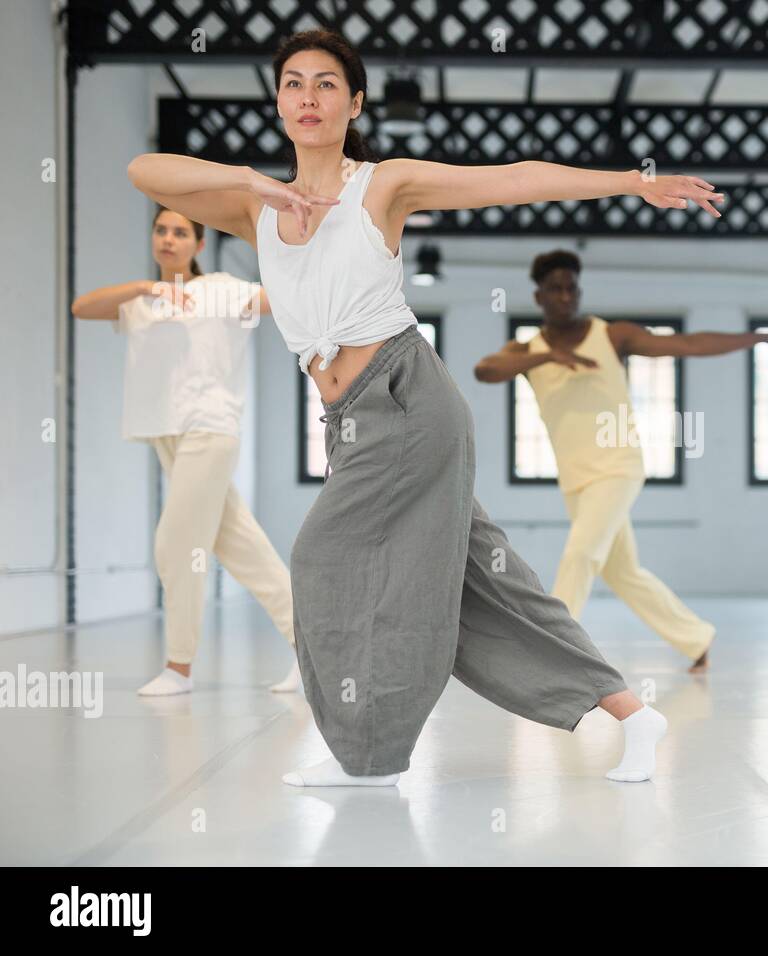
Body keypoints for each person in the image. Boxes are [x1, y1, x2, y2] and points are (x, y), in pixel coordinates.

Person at [125, 28, 726, 786]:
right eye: (293, 84)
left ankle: (365, 751)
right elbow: (144, 169)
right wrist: (257, 182)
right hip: (351, 425)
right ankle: (635, 718)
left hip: (407, 401)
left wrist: (632, 182)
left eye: (326, 84)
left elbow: (513, 179)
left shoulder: (381, 185)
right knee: (483, 589)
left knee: (320, 557)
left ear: (355, 102)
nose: (308, 98)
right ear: (278, 102)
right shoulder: (255, 211)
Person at [474, 249, 768, 672]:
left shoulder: (611, 336)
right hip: (576, 478)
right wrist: (548, 357)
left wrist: (757, 338)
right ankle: (696, 638)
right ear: (539, 297)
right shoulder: (526, 349)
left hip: (619, 467)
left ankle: (552, 650)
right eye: (555, 289)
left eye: (571, 288)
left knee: (581, 554)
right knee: (622, 572)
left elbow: (685, 344)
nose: (565, 296)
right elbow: (486, 370)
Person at [71, 207, 300, 696]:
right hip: (166, 434)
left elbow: (281, 300)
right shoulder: (139, 302)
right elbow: (81, 307)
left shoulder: (220, 289)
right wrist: (144, 288)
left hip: (209, 431)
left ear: (198, 245)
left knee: (176, 547)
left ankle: (179, 667)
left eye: (180, 232)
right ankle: (313, 651)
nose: (168, 238)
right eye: (161, 230)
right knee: (245, 549)